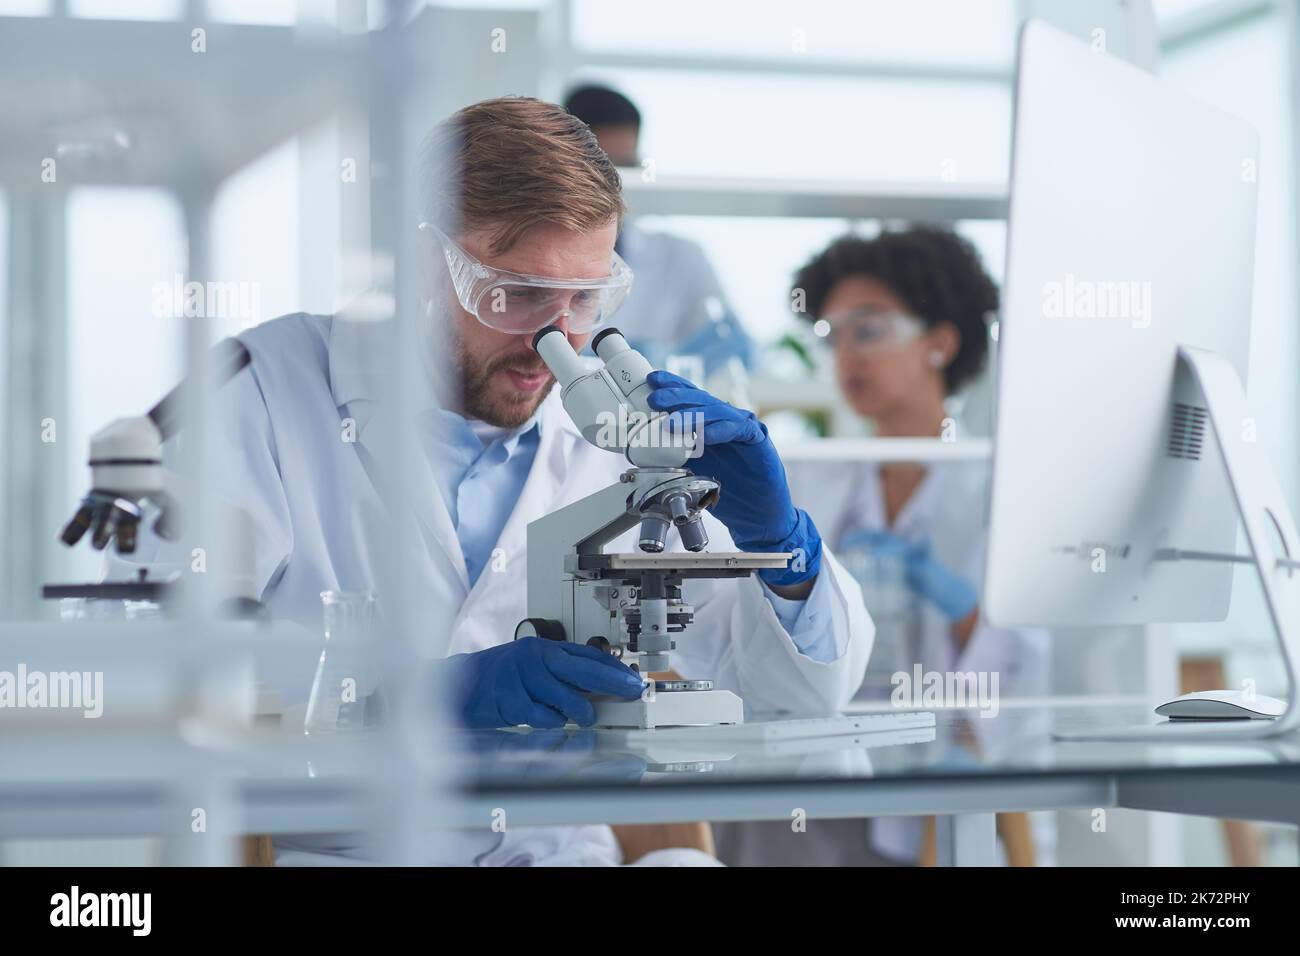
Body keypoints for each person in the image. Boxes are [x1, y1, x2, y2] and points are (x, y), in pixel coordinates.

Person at [118, 97, 873, 866]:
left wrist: (783, 551)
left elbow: (806, 704)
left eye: (585, 299)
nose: (554, 341)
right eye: (516, 295)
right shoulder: (258, 394)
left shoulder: (619, 431)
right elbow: (157, 678)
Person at [713, 227, 1049, 866]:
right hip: (826, 771)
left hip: (941, 780)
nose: (847, 357)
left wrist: (958, 607)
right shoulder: (814, 480)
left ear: (941, 343)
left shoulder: (999, 488)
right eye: (833, 336)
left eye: (868, 331)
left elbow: (1028, 674)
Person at [563, 84, 755, 373]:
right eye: (600, 166)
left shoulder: (680, 256)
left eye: (625, 166)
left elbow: (738, 356)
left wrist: (665, 362)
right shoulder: (543, 257)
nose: (613, 183)